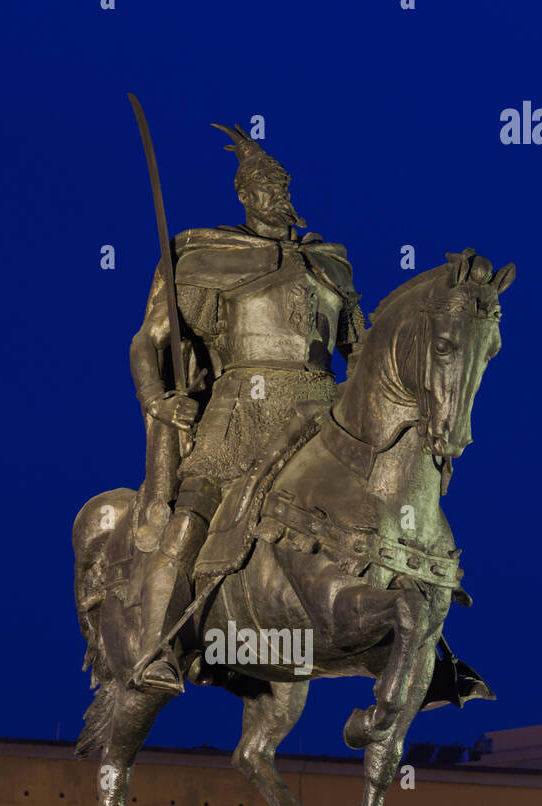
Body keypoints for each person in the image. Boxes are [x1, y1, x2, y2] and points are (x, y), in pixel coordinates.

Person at [128, 122, 366, 693]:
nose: (277, 192)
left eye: (281, 181)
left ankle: (418, 645)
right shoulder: (208, 256)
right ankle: (161, 646)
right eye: (265, 183)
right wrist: (158, 400)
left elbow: (360, 351)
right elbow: (148, 341)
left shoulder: (329, 263)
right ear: (245, 193)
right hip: (240, 414)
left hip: (320, 416)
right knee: (190, 518)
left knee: (385, 510)